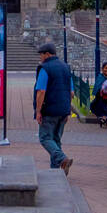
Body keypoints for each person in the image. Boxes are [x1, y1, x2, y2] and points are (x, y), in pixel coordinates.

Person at [33, 41, 75, 175]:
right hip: (63, 111)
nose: (40, 57)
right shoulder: (66, 67)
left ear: (47, 54)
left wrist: (38, 110)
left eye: (41, 54)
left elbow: (41, 91)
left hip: (49, 110)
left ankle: (62, 159)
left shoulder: (45, 68)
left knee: (45, 138)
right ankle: (55, 172)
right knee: (56, 140)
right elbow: (72, 92)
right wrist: (67, 109)